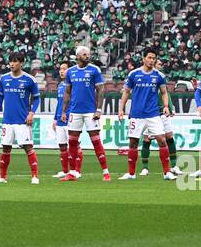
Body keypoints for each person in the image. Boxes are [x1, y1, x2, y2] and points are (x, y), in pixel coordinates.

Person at [118, 50, 176, 181]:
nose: (151, 60)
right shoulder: (134, 74)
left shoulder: (159, 75)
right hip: (136, 114)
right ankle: (131, 173)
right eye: (149, 57)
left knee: (162, 140)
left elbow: (164, 92)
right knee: (133, 143)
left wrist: (166, 106)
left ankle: (167, 172)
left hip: (153, 114)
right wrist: (121, 109)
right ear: (144, 59)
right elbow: (126, 92)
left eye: (154, 58)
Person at [0, 53, 40, 184]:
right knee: (6, 148)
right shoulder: (4, 79)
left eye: (15, 61)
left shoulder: (29, 80)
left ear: (21, 63)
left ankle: (34, 176)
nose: (12, 64)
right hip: (7, 120)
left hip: (22, 120)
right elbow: (0, 97)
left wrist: (32, 113)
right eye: (10, 61)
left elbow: (37, 97)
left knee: (28, 147)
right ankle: (2, 177)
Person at [61, 45, 110, 182]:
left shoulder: (95, 70)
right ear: (77, 56)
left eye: (88, 54)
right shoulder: (70, 72)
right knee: (72, 142)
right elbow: (67, 92)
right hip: (74, 111)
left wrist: (99, 109)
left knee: (96, 141)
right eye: (84, 54)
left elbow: (100, 90)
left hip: (90, 112)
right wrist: (64, 111)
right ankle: (72, 172)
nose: (87, 56)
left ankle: (105, 172)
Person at [50, 59, 77, 179]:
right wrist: (55, 119)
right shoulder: (60, 85)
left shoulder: (74, 85)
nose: (61, 71)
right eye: (60, 69)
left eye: (64, 69)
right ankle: (65, 171)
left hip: (70, 118)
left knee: (74, 146)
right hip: (60, 119)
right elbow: (59, 104)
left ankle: (76, 171)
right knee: (62, 146)